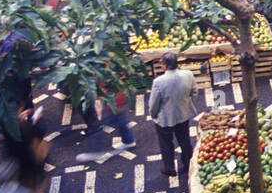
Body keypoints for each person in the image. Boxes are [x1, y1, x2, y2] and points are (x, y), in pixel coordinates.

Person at [147, 52, 197, 180]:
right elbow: (194, 93)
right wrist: (187, 104)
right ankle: (188, 164)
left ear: (164, 66)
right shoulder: (188, 74)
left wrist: (153, 115)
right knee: (184, 140)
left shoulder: (158, 82)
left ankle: (169, 168)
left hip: (165, 119)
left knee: (166, 144)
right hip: (183, 114)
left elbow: (154, 103)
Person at [76, 89, 137, 164]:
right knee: (121, 122)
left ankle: (94, 152)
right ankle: (129, 141)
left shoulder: (109, 82)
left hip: (112, 105)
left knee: (98, 129)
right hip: (114, 104)